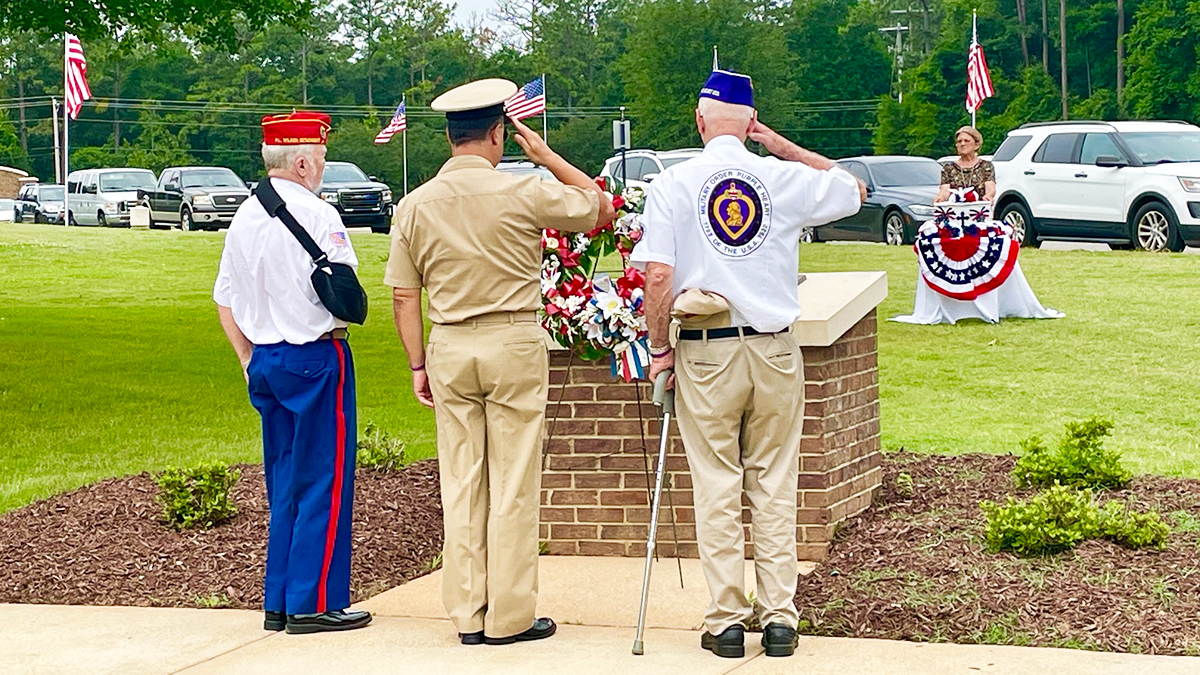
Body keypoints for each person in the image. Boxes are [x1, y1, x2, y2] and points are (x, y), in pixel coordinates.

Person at [630, 69, 865, 659]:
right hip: (776, 347)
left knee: (716, 483)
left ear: (700, 119)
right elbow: (849, 186)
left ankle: (728, 620)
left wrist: (660, 353)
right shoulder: (779, 176)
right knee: (774, 480)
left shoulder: (674, 183)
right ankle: (780, 616)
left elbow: (657, 274)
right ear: (750, 122)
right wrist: (774, 143)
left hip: (706, 351)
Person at [384, 78, 615, 646]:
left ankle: (466, 612)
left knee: (461, 480)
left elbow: (402, 295)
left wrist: (417, 363)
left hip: (450, 344)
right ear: (496, 135)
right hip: (511, 340)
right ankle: (508, 617)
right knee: (512, 482)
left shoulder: (414, 205)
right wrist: (546, 154)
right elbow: (600, 207)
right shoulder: (523, 191)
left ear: (447, 137)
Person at [213, 111, 371, 635]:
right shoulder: (319, 214)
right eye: (321, 157)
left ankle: (279, 599)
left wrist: (246, 358)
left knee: (283, 481)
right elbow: (346, 295)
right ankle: (314, 601)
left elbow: (225, 300)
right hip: (316, 355)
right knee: (323, 479)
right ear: (302, 160)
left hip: (265, 358)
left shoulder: (243, 216)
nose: (322, 166)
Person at [936, 125, 995, 202]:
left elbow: (990, 187)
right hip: (955, 211)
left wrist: (988, 196)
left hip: (979, 210)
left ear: (976, 145)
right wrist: (940, 198)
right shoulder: (948, 167)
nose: (962, 144)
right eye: (959, 141)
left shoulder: (986, 166)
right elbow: (945, 190)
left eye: (966, 141)